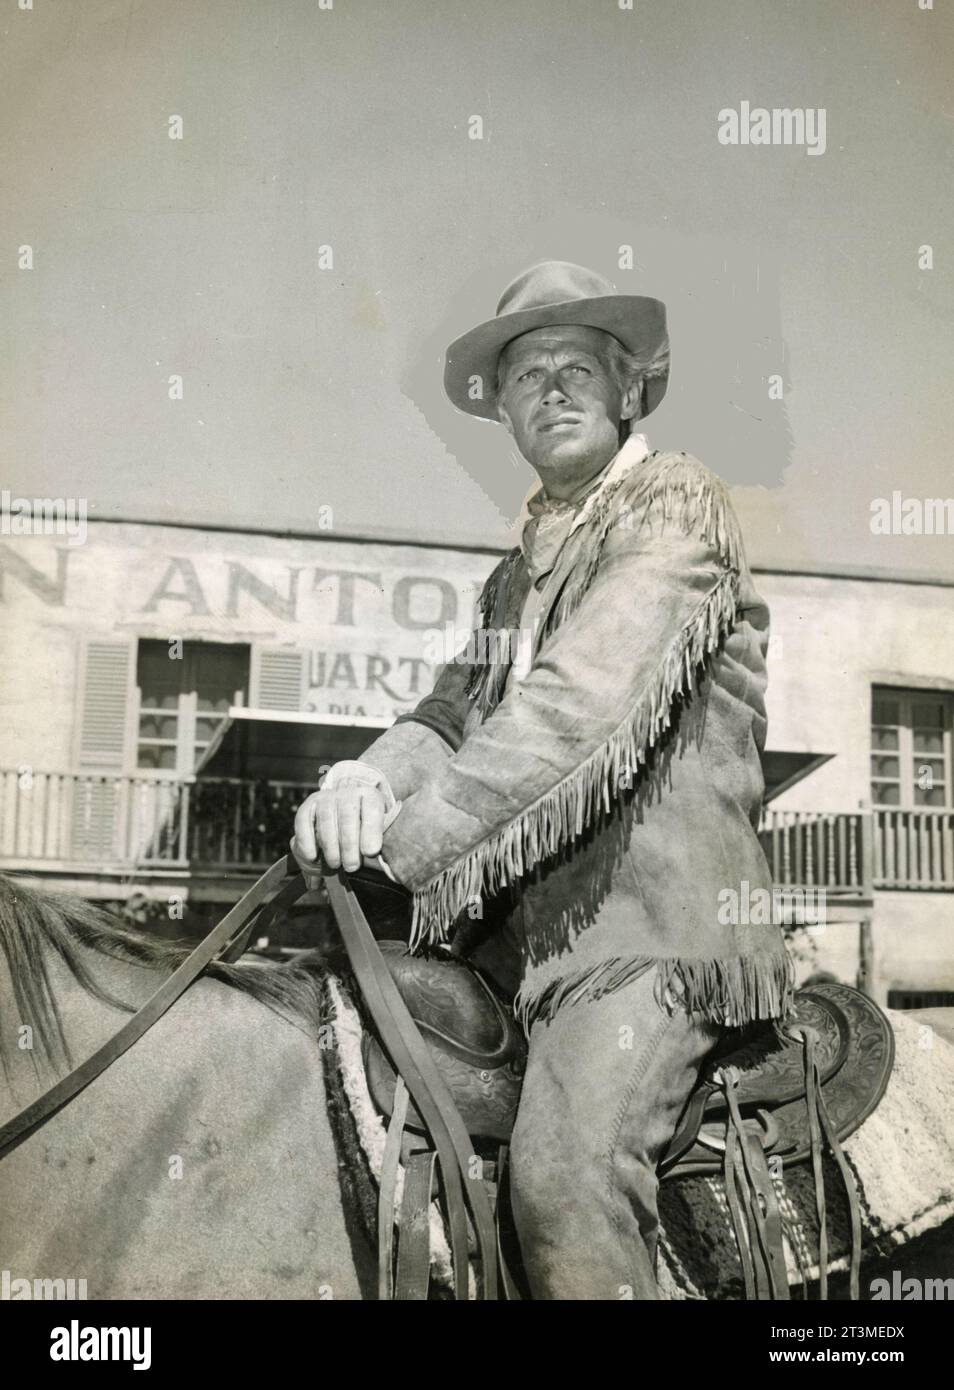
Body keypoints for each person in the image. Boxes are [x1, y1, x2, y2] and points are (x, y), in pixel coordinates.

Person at [293, 260, 793, 1299]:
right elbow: (444, 717)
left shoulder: (675, 506)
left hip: (653, 940)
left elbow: (575, 707)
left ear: (628, 391)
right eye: (527, 377)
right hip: (520, 948)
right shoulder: (513, 575)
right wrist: (358, 786)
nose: (552, 390)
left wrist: (402, 845)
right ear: (506, 413)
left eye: (576, 368)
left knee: (563, 1181)